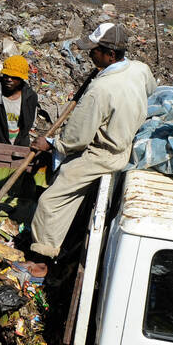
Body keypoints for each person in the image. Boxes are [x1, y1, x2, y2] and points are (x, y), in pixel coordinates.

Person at [28, 23, 155, 274]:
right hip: (125, 142)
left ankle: (42, 260)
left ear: (110, 54)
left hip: (103, 154)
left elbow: (78, 138)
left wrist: (51, 143)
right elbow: (149, 91)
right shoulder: (140, 69)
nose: (90, 54)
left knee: (50, 202)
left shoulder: (100, 89)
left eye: (95, 50)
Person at [0, 55, 44, 146]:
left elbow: (28, 126)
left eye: (14, 77)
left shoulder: (30, 98)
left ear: (21, 78)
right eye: (6, 75)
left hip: (19, 149)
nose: (9, 79)